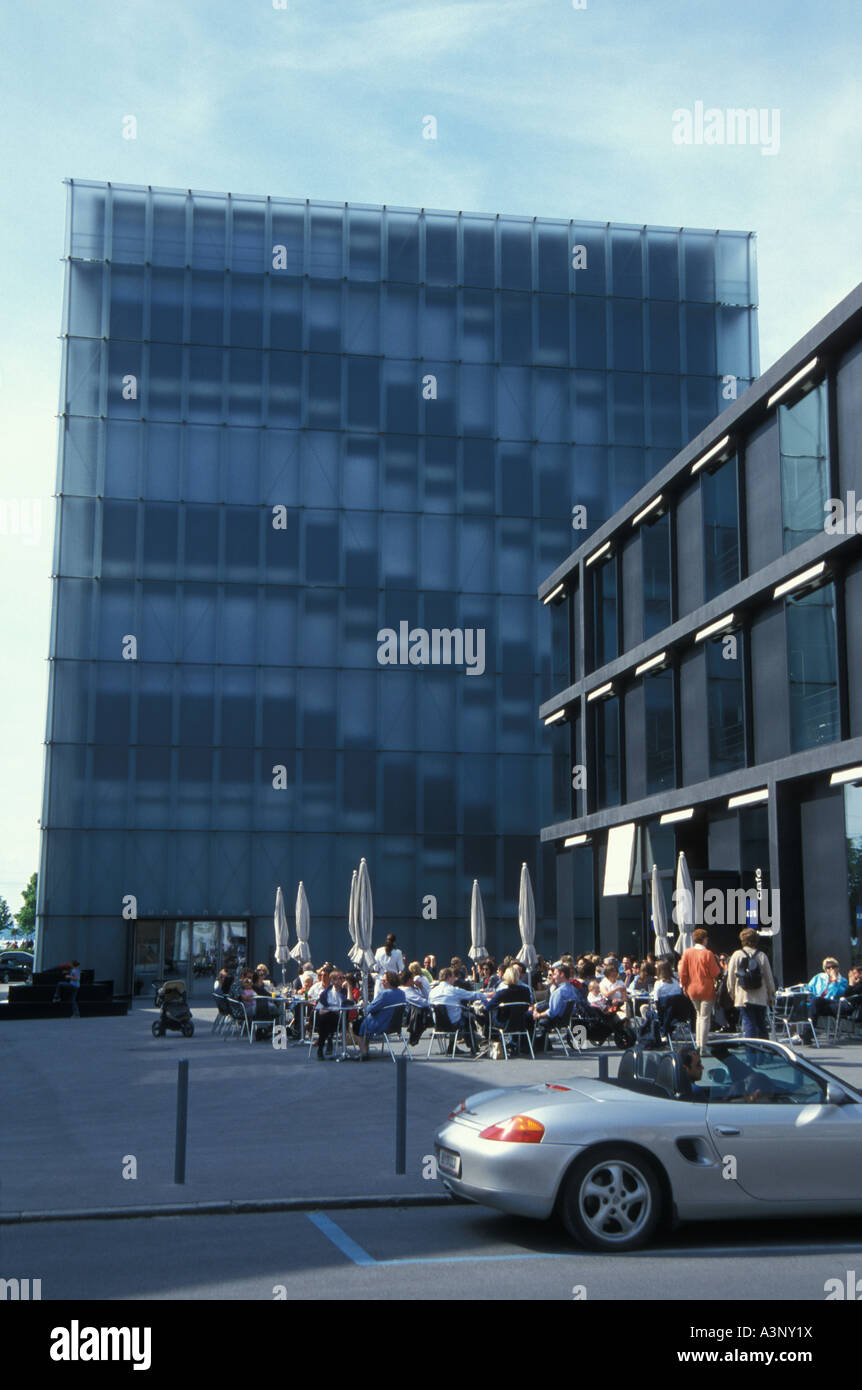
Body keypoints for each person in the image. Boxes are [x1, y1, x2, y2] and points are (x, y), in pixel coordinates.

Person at [727, 928, 775, 1039]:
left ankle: (752, 1052)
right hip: (760, 996)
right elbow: (769, 977)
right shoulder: (762, 955)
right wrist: (771, 994)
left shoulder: (737, 955)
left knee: (749, 1024)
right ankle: (764, 1051)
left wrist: (732, 993)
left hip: (744, 996)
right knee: (761, 1025)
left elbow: (731, 977)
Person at [678, 929, 721, 1051]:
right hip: (706, 988)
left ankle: (698, 1042)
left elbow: (682, 972)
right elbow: (715, 973)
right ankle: (703, 1045)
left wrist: (684, 986)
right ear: (704, 939)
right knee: (705, 1017)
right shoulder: (708, 954)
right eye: (706, 938)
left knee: (698, 1016)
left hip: (692, 988)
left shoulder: (687, 953)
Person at [429, 968, 484, 1054]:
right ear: (448, 977)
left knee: (455, 1015)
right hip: (453, 1024)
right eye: (453, 977)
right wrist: (486, 994)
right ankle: (474, 1046)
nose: (455, 979)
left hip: (438, 1023)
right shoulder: (454, 990)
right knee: (467, 1018)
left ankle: (452, 1046)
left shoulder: (432, 992)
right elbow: (472, 995)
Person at [531, 964, 578, 1052]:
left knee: (531, 1017)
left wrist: (539, 1015)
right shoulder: (572, 989)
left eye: (555, 974)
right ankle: (544, 1044)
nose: (554, 976)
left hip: (555, 1020)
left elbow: (552, 1012)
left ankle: (533, 1045)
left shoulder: (558, 992)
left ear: (562, 974)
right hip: (566, 1020)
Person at [358, 972, 406, 1058]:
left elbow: (370, 1009)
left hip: (382, 1023)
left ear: (389, 981)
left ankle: (363, 1052)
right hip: (395, 1024)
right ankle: (365, 1050)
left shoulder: (384, 994)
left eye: (384, 980)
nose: (381, 982)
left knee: (359, 1025)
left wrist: (364, 1005)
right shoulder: (402, 993)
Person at [314, 970, 350, 1059]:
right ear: (333, 980)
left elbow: (350, 1003)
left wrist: (349, 987)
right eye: (340, 978)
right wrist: (327, 1010)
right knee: (325, 1018)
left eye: (343, 978)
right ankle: (328, 1038)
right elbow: (320, 1007)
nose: (342, 980)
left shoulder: (345, 991)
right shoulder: (326, 992)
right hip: (327, 1018)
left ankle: (321, 1047)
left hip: (340, 1018)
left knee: (326, 1019)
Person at [805, 958, 848, 1034]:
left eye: (833, 966)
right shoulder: (818, 977)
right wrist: (807, 996)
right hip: (816, 1004)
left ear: (838, 968)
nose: (831, 969)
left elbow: (834, 994)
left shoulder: (842, 981)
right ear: (825, 969)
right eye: (828, 967)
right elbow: (808, 988)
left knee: (816, 1000)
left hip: (831, 1003)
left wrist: (834, 980)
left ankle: (806, 1033)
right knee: (800, 1002)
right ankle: (796, 1033)